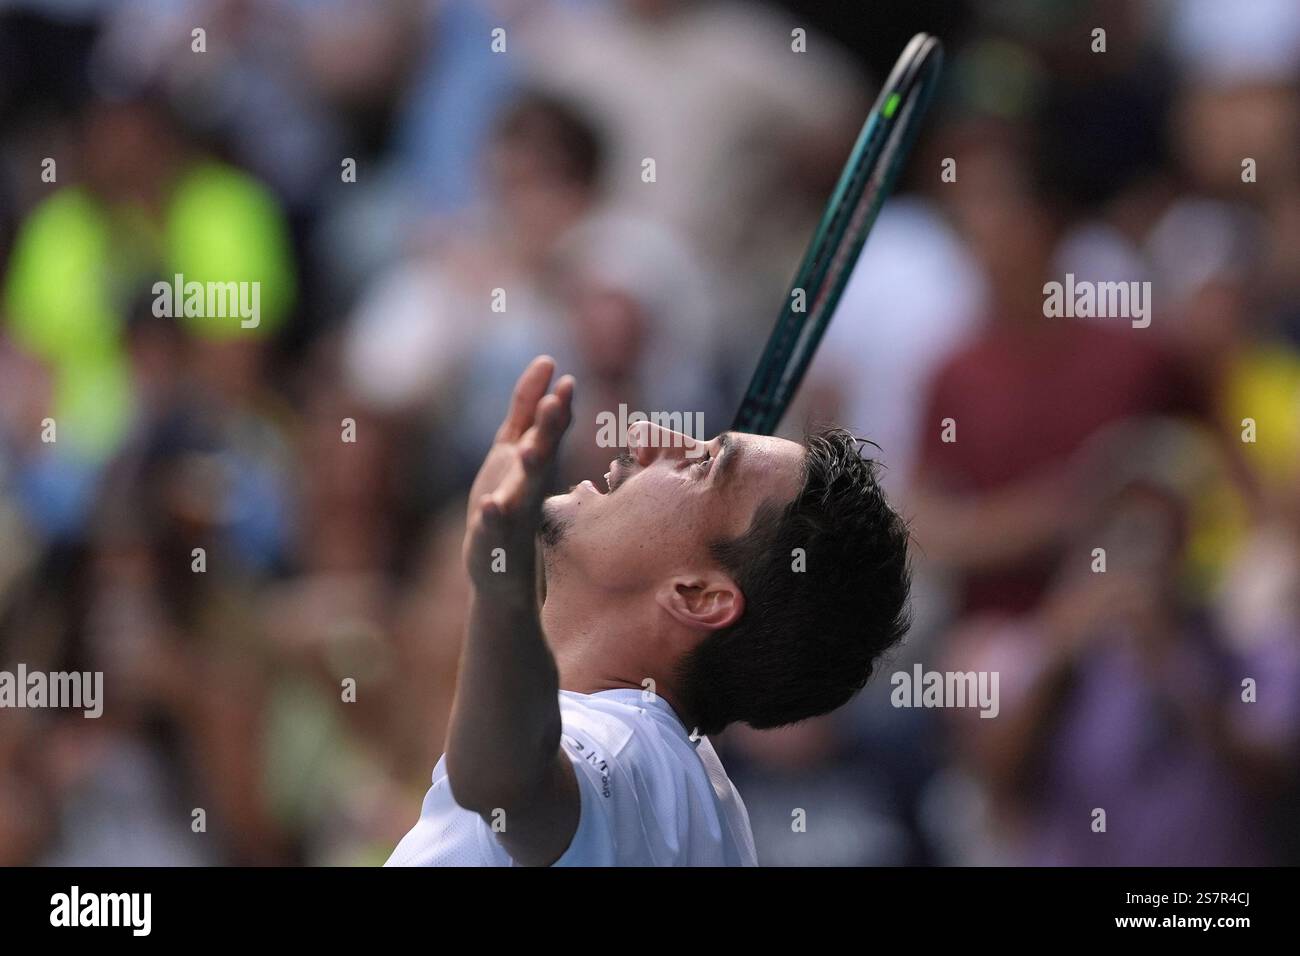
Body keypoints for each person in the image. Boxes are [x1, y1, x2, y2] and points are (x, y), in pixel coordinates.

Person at [387, 356, 912, 866]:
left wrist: (498, 581)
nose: (644, 436)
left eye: (702, 464)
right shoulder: (682, 782)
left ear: (698, 596)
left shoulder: (628, 750)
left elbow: (504, 787)